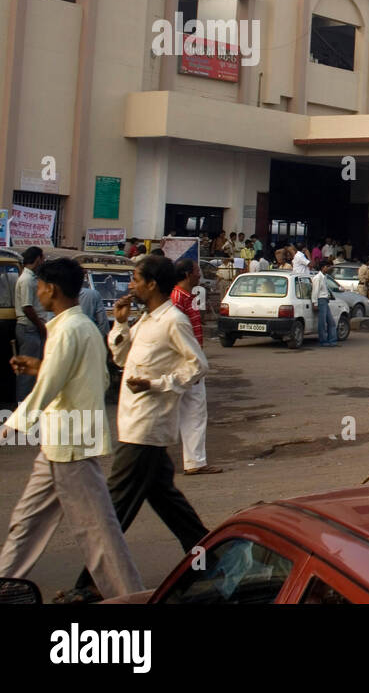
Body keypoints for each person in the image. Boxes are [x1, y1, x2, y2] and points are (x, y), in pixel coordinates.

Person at [65, 254, 209, 601]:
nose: (131, 285)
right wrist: (120, 325)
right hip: (133, 423)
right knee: (173, 508)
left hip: (148, 426)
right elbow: (120, 359)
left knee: (113, 509)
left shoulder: (174, 321)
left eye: (135, 278)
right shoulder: (145, 320)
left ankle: (88, 584)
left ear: (152, 284)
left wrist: (158, 384)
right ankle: (214, 559)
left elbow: (198, 366)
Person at [0, 258, 144, 600]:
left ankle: (130, 596)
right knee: (27, 520)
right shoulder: (79, 327)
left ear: (52, 288)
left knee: (97, 532)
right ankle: (6, 578)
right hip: (60, 441)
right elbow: (85, 376)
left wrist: (12, 424)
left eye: (39, 287)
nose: (37, 293)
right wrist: (40, 368)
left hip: (70, 442)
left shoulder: (67, 329)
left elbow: (52, 383)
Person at [172, 259, 221, 475]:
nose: (199, 275)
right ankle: (194, 462)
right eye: (196, 271)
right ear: (186, 274)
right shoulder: (177, 299)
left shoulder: (186, 297)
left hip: (191, 362)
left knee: (193, 413)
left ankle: (195, 461)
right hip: (186, 364)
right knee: (191, 412)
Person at [14, 246, 49, 402]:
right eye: (42, 258)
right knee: (27, 372)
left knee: (35, 369)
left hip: (33, 329)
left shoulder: (32, 277)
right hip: (29, 328)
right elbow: (27, 307)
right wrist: (41, 327)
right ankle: (22, 406)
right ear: (37, 259)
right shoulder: (27, 279)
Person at [312, 259, 339, 348]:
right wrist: (315, 303)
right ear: (323, 267)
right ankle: (323, 341)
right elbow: (315, 291)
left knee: (331, 322)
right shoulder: (317, 278)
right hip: (321, 300)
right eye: (327, 267)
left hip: (325, 300)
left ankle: (332, 340)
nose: (328, 269)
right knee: (322, 322)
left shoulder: (324, 277)